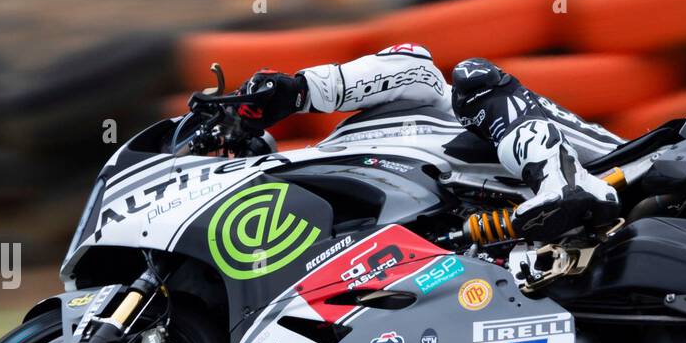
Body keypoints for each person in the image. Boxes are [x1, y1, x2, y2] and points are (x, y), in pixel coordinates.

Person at [235, 43, 623, 241]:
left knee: (472, 77)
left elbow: (415, 65)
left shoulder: (344, 144)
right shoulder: (311, 204)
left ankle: (563, 182)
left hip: (611, 161)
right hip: (510, 208)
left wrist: (298, 91)